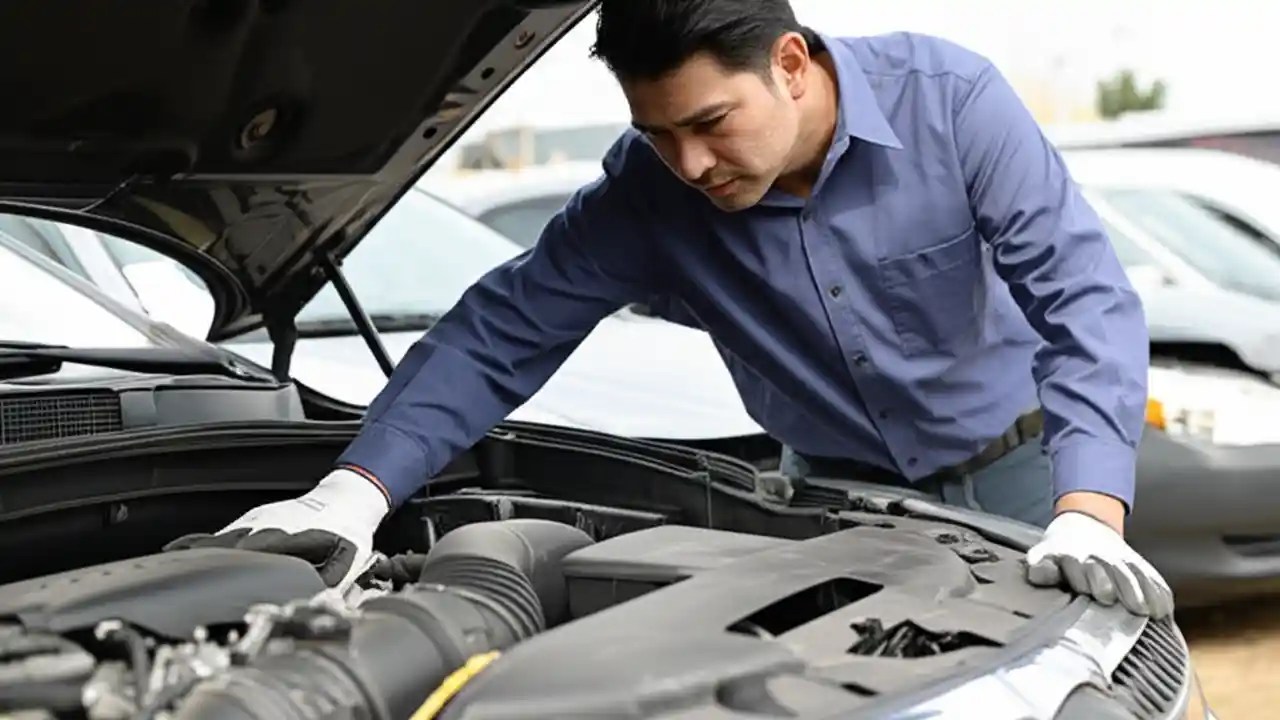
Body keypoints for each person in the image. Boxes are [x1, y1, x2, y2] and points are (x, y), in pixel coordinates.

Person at [167, 0, 1173, 618]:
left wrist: (1087, 512)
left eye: (708, 124)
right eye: (656, 134)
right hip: (839, 500)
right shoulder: (644, 195)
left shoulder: (950, 103)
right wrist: (352, 494)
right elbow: (498, 333)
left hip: (1028, 473)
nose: (687, 165)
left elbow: (1081, 300)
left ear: (790, 63)